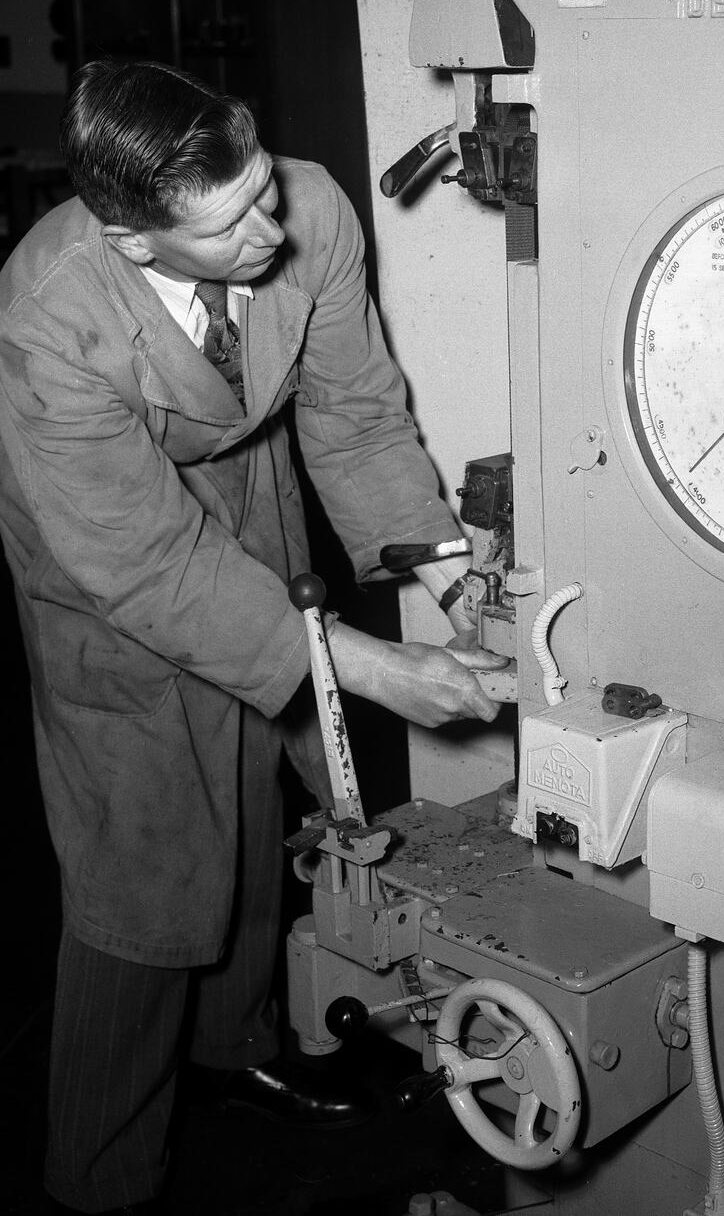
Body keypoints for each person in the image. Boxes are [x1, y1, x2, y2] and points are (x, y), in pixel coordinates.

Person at [0, 60, 508, 1216]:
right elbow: (156, 567)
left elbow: (353, 411)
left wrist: (449, 578)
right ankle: (98, 1172)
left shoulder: (308, 205)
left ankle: (236, 1052)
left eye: (262, 192)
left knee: (254, 780)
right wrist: (379, 672)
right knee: (146, 851)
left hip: (247, 491)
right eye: (229, 226)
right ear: (132, 240)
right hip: (105, 557)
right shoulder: (43, 318)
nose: (270, 232)